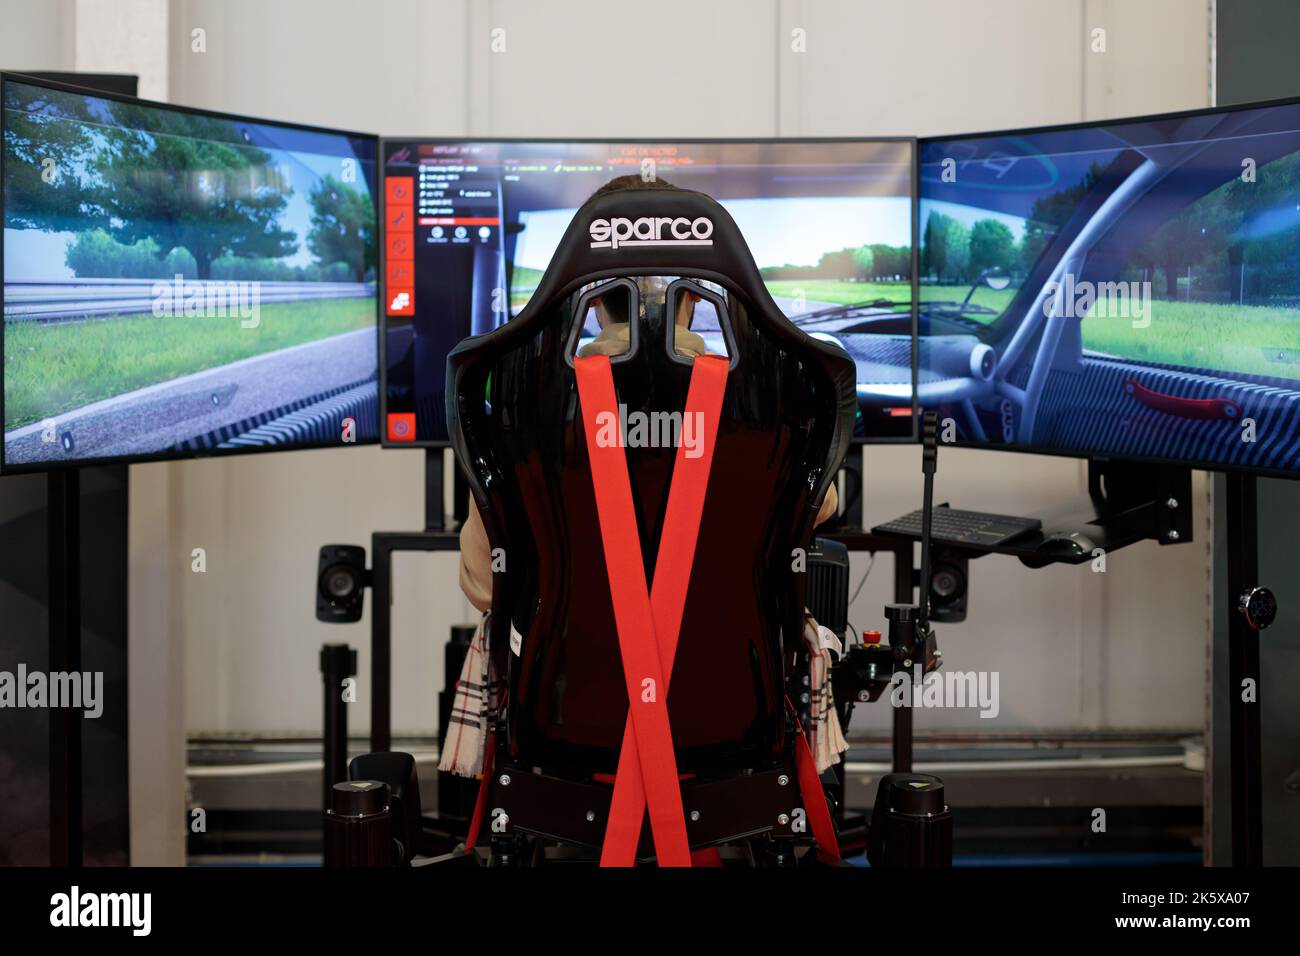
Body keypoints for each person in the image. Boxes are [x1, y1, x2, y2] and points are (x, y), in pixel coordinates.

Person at [443, 175, 844, 777]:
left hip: (565, 717)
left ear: (589, 294)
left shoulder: (528, 408)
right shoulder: (767, 400)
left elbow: (483, 586)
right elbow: (818, 507)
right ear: (698, 290)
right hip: (735, 713)